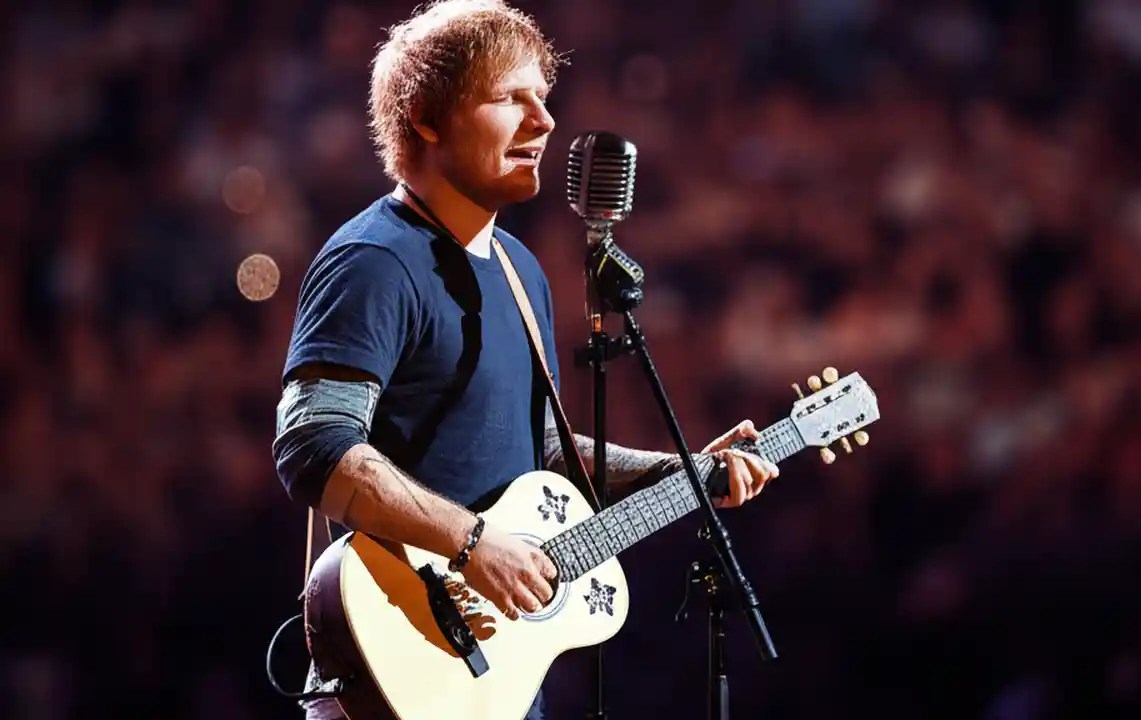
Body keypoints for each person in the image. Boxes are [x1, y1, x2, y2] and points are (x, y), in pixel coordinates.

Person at [271, 1, 780, 718]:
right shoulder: (374, 261)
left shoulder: (519, 271)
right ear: (425, 116)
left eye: (544, 100)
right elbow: (314, 446)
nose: (542, 123)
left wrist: (687, 473)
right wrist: (474, 544)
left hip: (495, 677)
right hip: (399, 672)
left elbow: (538, 452)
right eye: (511, 100)